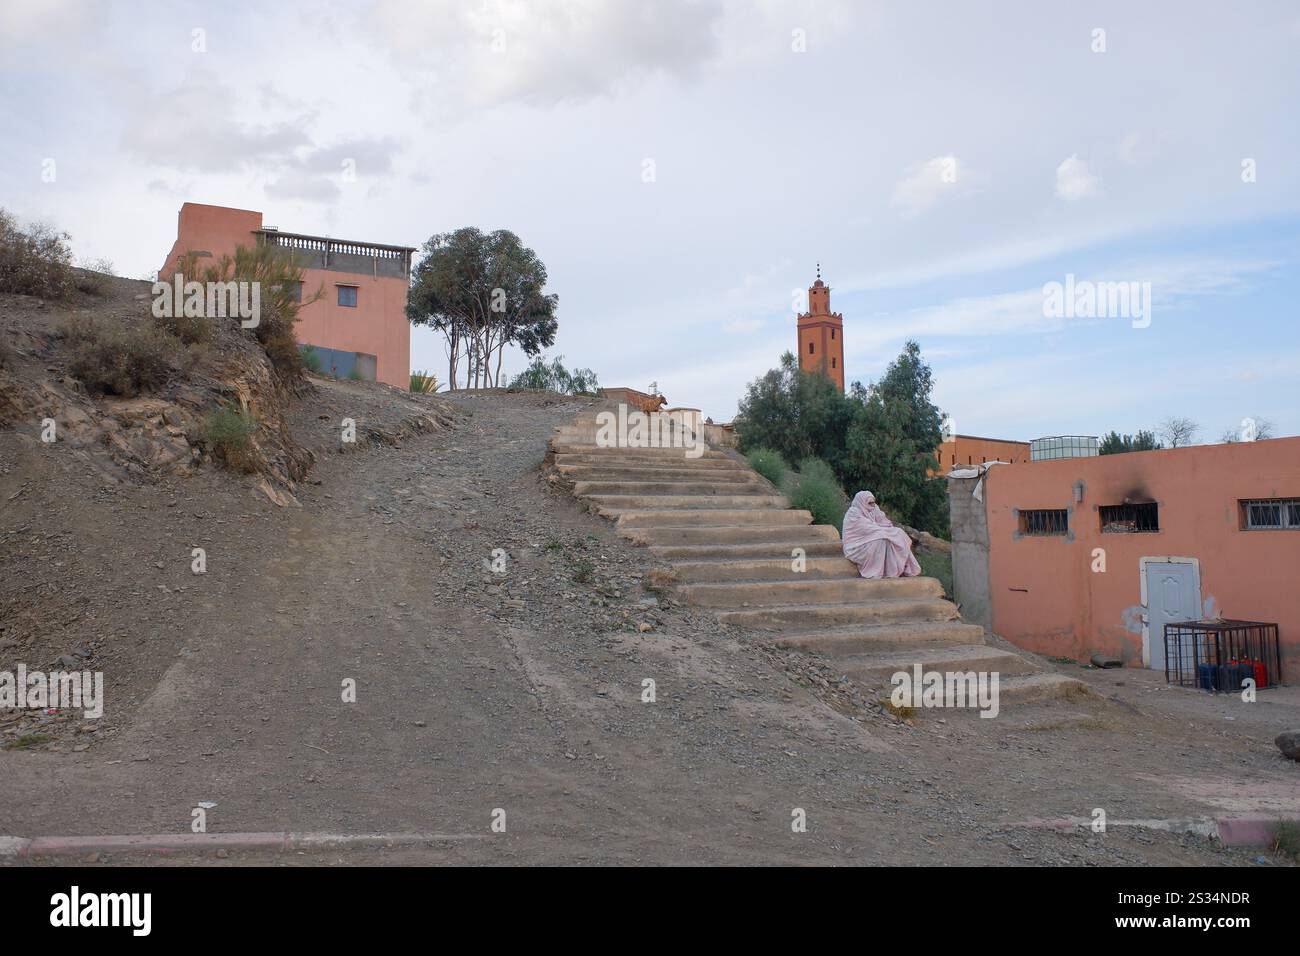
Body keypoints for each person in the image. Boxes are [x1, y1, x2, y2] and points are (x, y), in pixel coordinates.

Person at [842, 491, 921, 579]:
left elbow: (885, 522)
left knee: (898, 533)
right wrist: (884, 530)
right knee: (881, 539)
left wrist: (885, 530)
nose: (872, 504)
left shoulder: (874, 508)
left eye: (873, 502)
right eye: (870, 502)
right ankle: (876, 572)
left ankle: (901, 569)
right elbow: (865, 528)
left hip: (874, 535)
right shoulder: (853, 512)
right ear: (861, 501)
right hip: (857, 544)